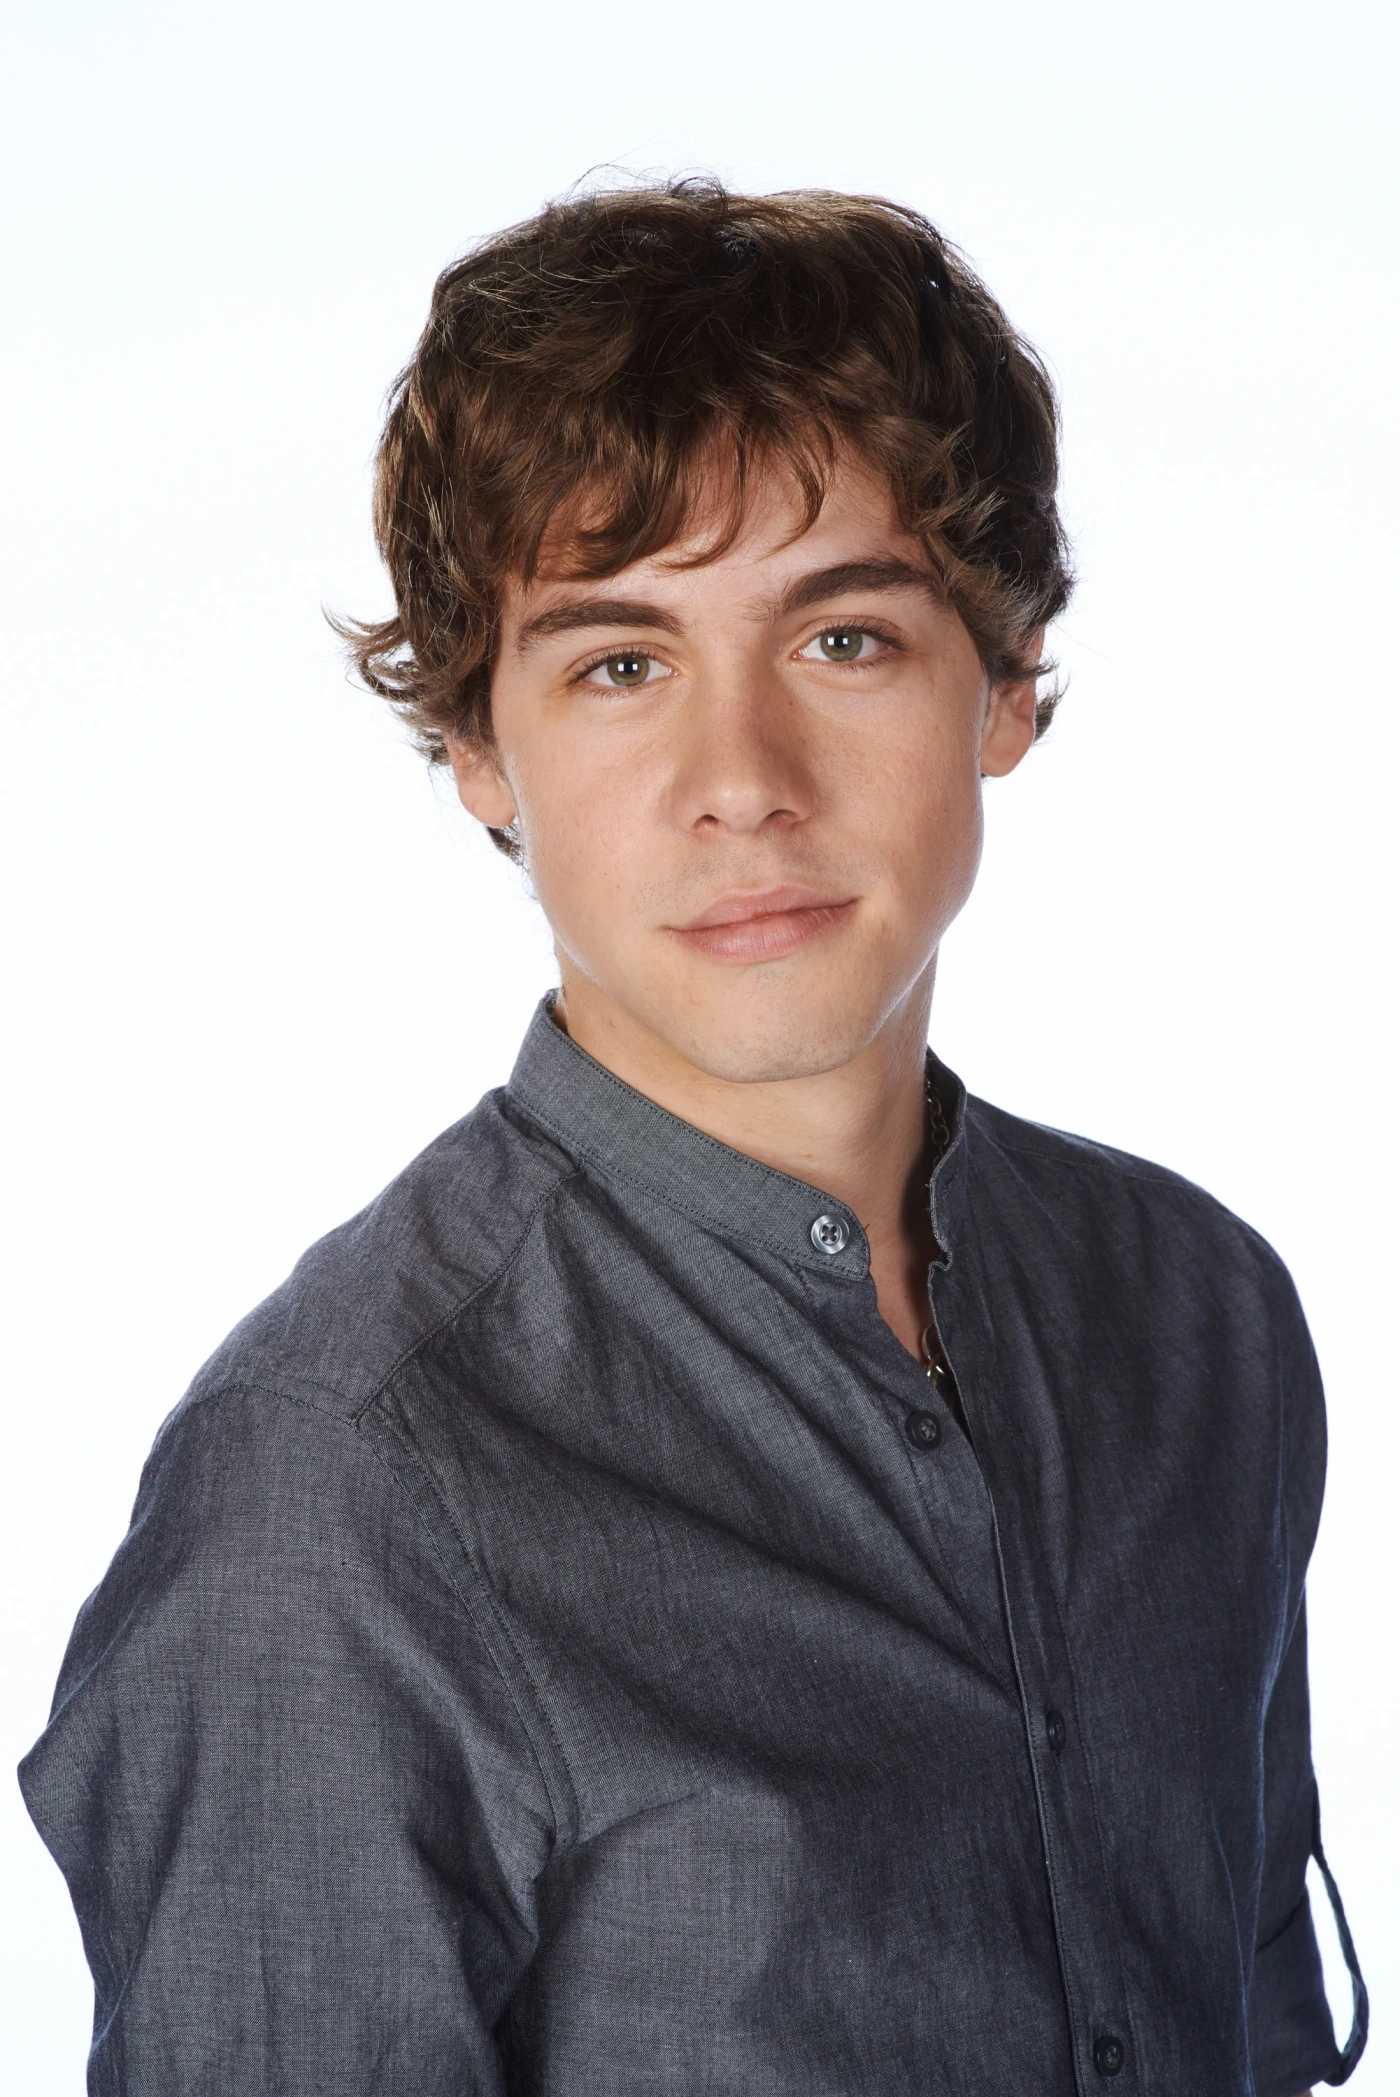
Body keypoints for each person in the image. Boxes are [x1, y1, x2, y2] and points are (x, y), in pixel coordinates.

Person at [19, 180, 1366, 2097]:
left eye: (845, 641)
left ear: (1004, 685)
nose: (742, 783)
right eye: (621, 665)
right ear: (477, 748)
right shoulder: (335, 1497)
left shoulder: (1198, 1317)